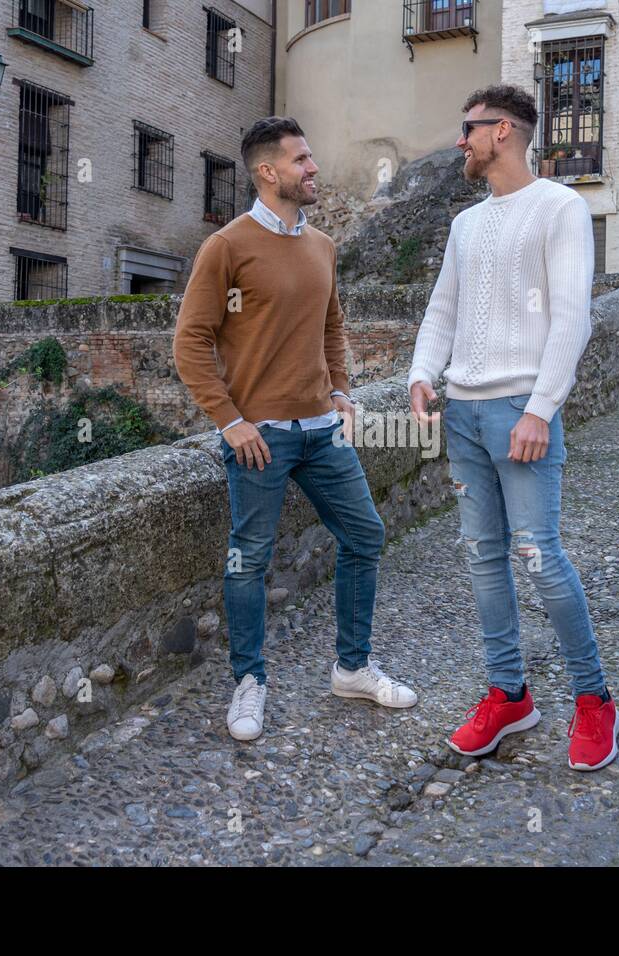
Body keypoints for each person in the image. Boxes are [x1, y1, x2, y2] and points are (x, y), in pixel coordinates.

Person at [174, 117, 417, 742]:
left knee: (366, 534)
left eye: (311, 158)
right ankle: (249, 684)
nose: (314, 169)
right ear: (268, 172)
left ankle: (353, 667)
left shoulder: (323, 246)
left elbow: (332, 328)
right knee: (248, 559)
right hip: (261, 435)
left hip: (322, 431)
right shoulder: (226, 246)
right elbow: (191, 341)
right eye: (302, 160)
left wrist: (342, 392)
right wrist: (229, 422)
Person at [408, 86, 619, 771]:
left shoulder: (560, 208)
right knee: (481, 557)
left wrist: (540, 408)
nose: (460, 141)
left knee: (541, 558)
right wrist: (421, 372)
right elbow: (443, 307)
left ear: (502, 131)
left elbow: (572, 317)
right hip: (463, 414)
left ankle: (594, 702)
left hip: (519, 410)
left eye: (468, 129)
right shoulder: (468, 224)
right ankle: (508, 695)